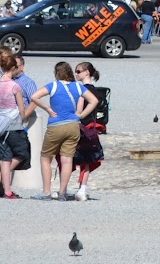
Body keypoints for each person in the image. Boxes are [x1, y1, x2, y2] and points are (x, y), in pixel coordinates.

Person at [30, 61, 97, 200]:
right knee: (67, 159)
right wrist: (82, 115)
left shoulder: (53, 85)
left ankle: (46, 192)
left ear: (56, 73)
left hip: (56, 125)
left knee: (45, 157)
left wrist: (47, 109)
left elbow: (34, 96)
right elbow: (94, 101)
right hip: (73, 125)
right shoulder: (78, 87)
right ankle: (62, 193)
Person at [70, 61, 108, 201]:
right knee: (88, 160)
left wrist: (79, 115)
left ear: (87, 72)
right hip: (91, 129)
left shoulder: (83, 91)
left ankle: (65, 188)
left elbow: (79, 110)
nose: (76, 74)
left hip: (81, 127)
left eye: (79, 71)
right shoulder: (95, 90)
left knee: (68, 157)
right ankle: (82, 188)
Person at [0, 48, 29, 199]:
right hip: (14, 124)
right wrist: (23, 120)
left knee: (4, 157)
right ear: (13, 68)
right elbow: (21, 109)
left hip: (1, 124)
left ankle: (7, 190)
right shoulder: (14, 86)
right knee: (22, 153)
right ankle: (5, 187)